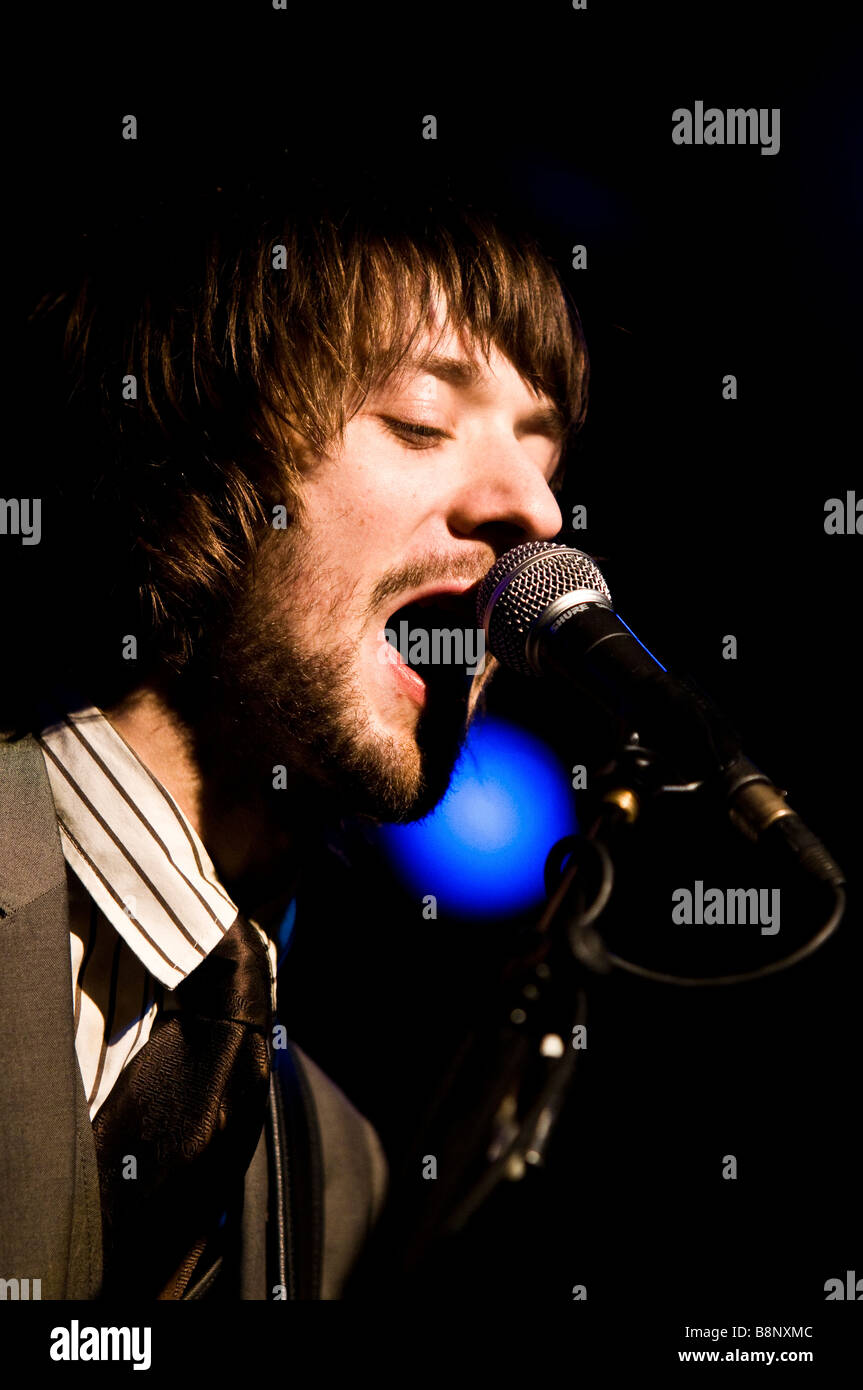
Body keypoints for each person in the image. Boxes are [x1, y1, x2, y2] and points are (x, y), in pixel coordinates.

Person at [0, 184, 589, 1300]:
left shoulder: (342, 1173)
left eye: (543, 452)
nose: (535, 513)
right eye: (421, 419)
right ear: (199, 465)